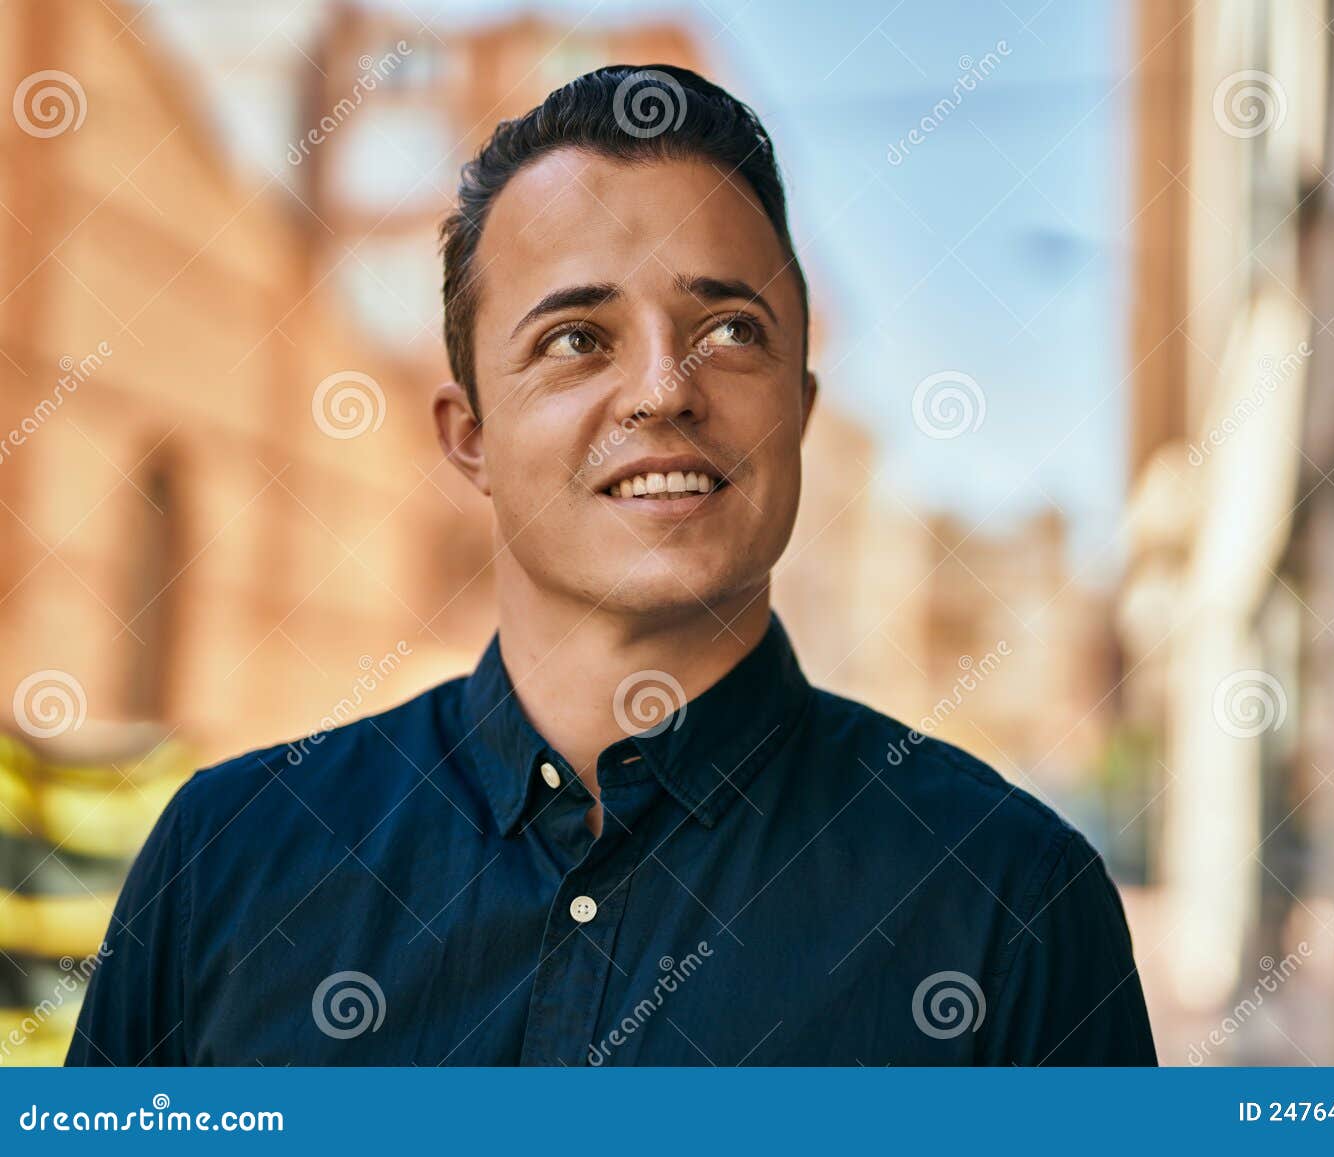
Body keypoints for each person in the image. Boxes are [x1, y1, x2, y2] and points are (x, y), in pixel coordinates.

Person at [67, 64, 1157, 1067]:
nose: (660, 390)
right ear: (469, 436)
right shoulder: (225, 860)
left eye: (728, 330)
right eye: (576, 338)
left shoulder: (1009, 901)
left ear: (801, 409)